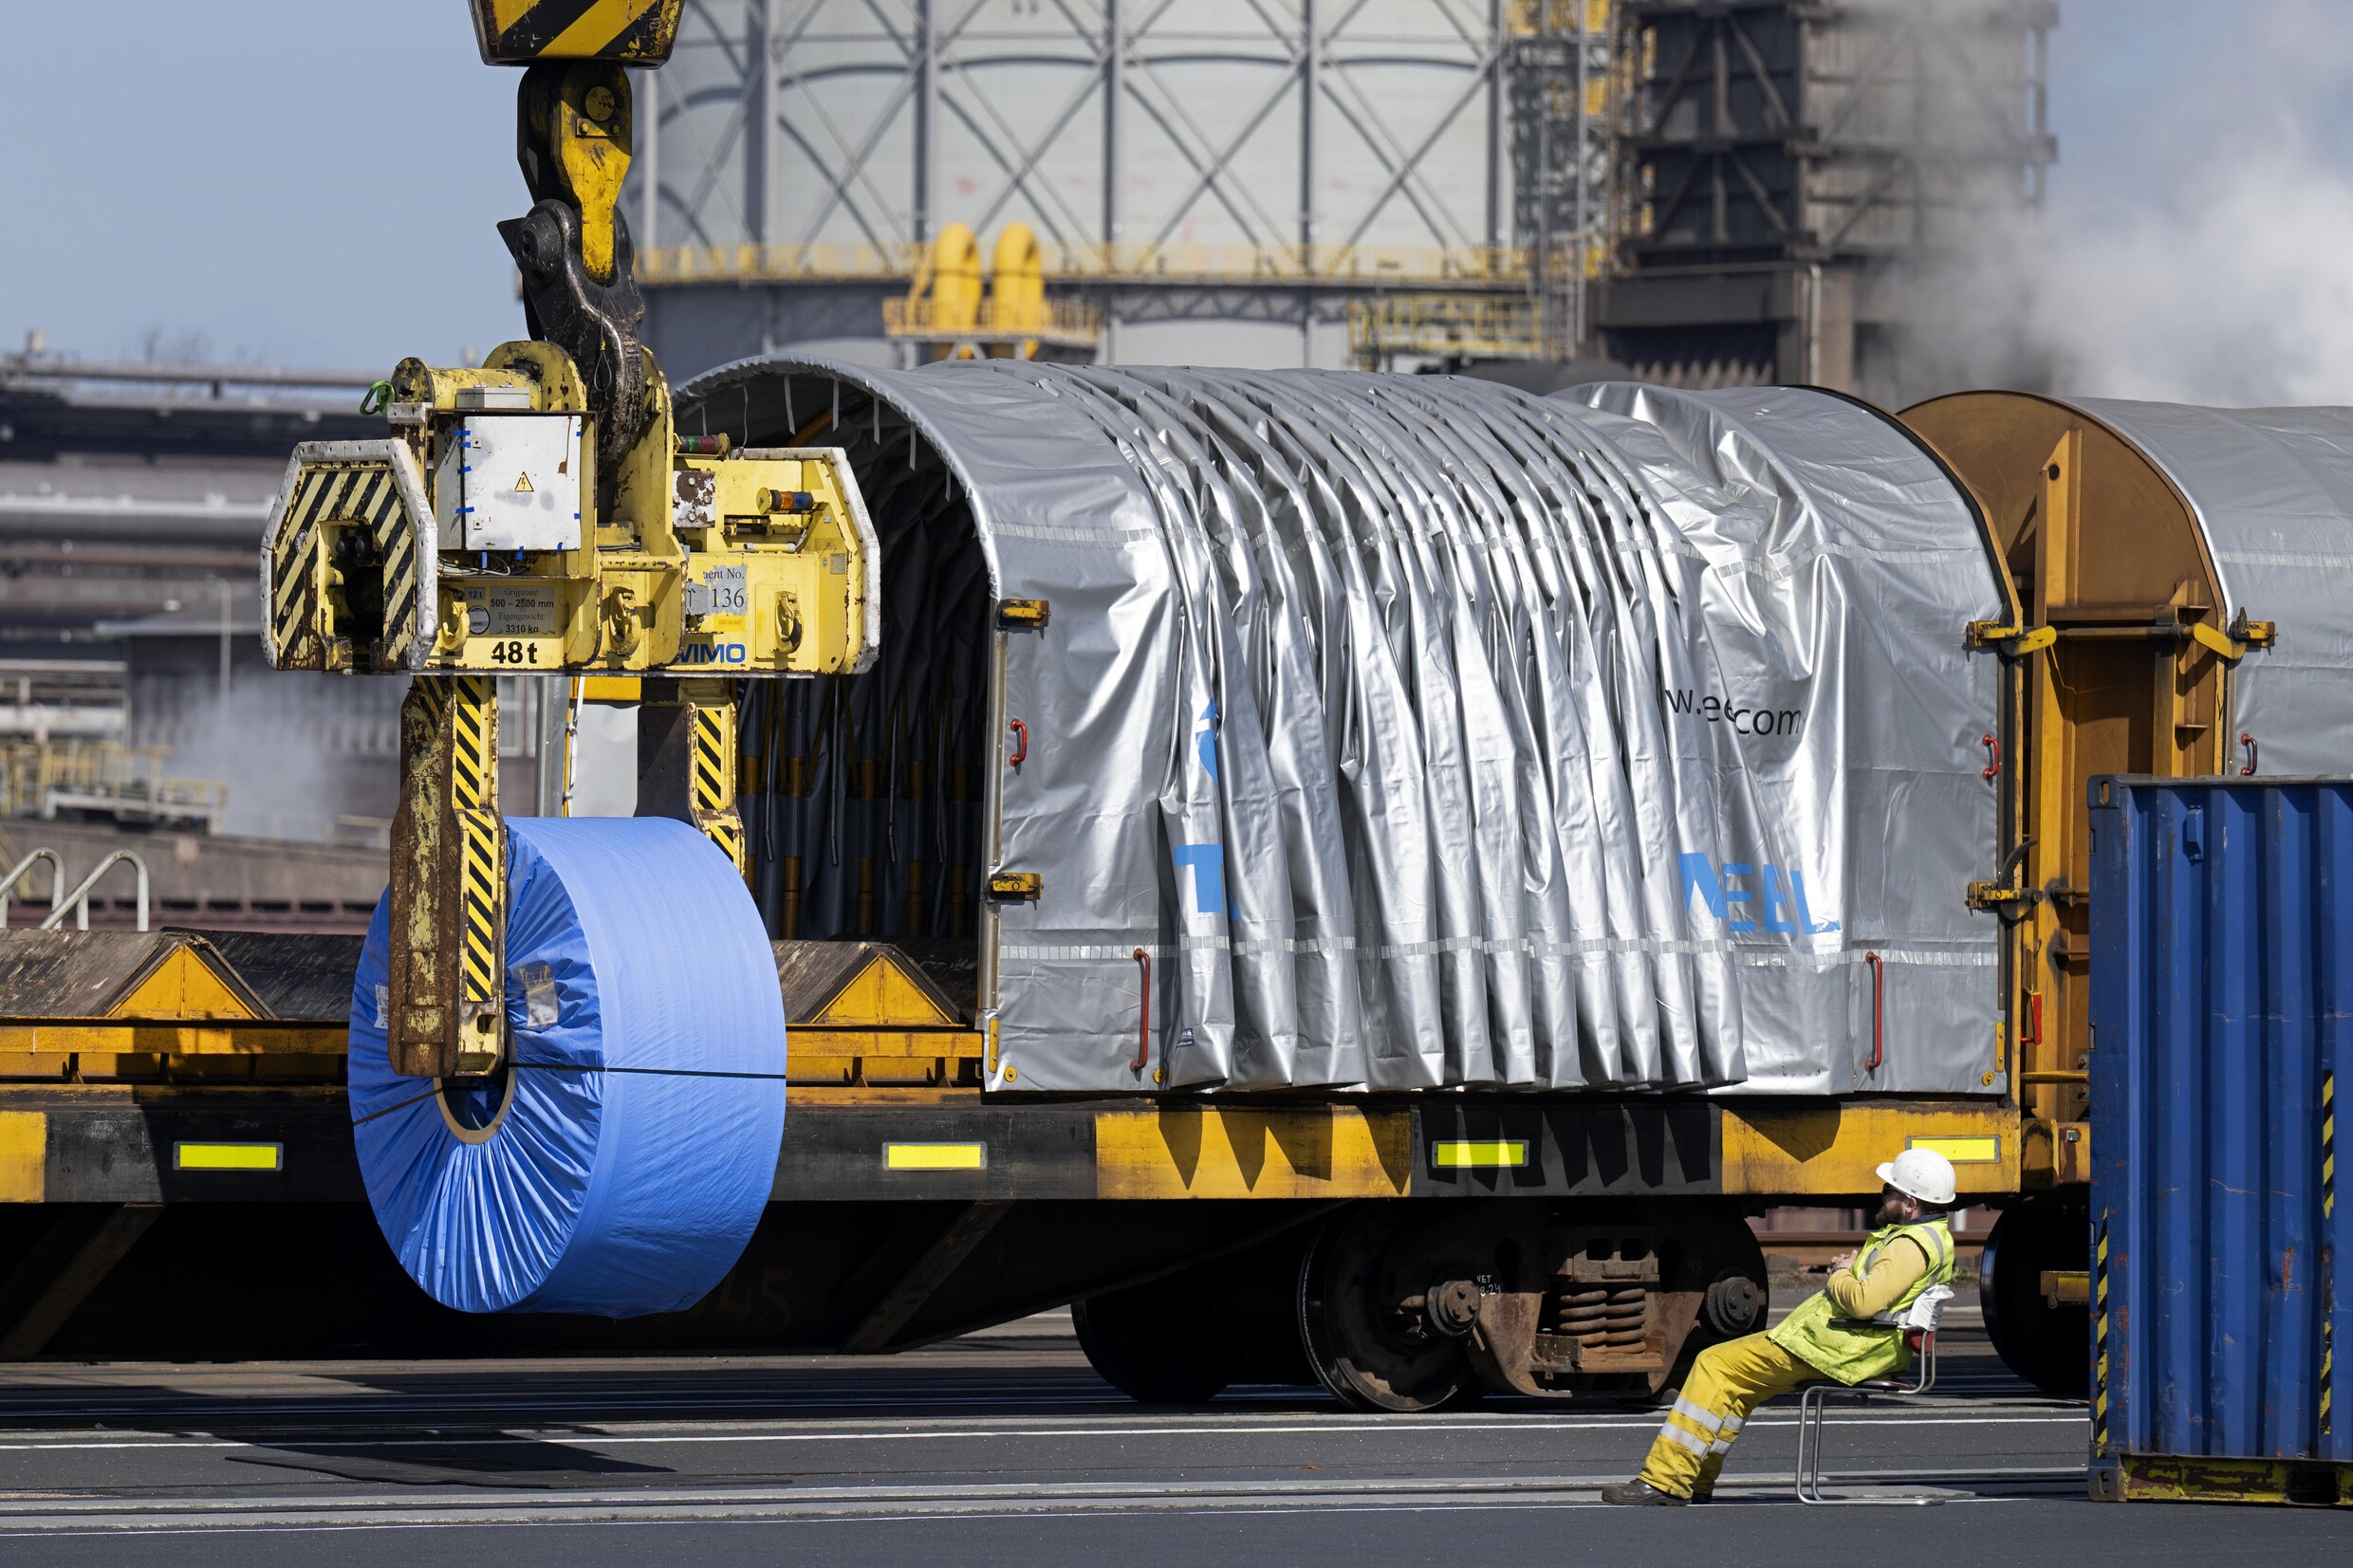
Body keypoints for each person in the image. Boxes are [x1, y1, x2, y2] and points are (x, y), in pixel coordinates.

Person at [1599, 1146, 1961, 1505]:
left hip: (1839, 1348)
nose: (1882, 1196)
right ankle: (1693, 1481)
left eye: (1889, 1191)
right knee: (1738, 1385)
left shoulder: (1909, 1246)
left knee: (1714, 1364)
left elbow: (1864, 1302)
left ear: (1911, 1203)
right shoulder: (1927, 1238)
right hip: (1849, 1345)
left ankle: (1663, 1482)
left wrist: (1838, 1273)